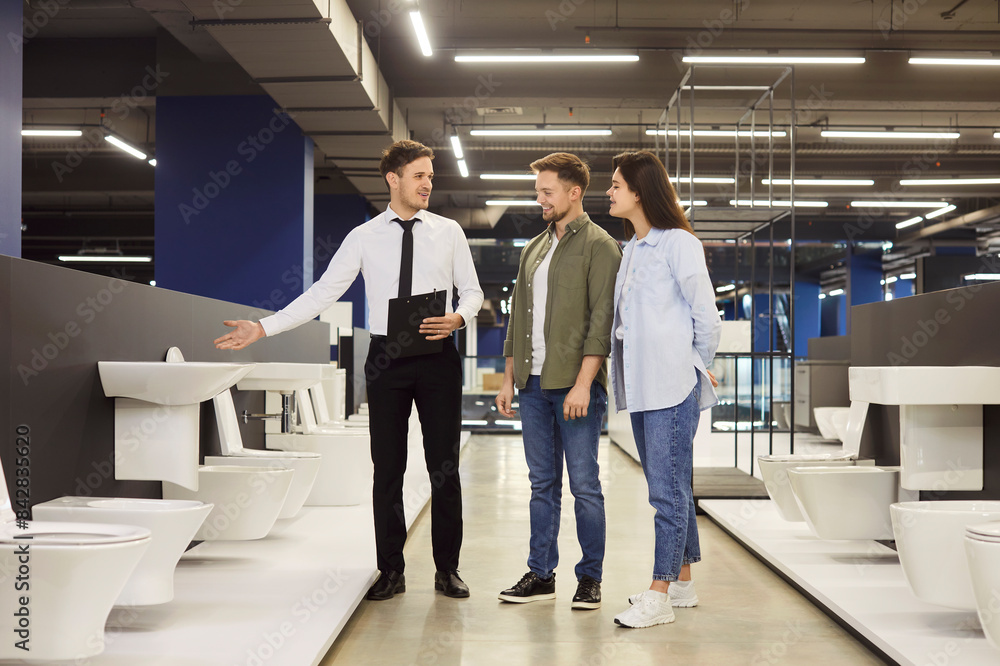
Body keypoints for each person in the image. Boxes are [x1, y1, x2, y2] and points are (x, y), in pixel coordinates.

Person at [214, 139, 484, 601]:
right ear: (393, 179)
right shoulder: (363, 237)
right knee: (387, 470)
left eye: (431, 177)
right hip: (386, 359)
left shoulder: (448, 231)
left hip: (438, 357)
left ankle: (447, 571)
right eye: (419, 176)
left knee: (445, 467)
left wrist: (460, 317)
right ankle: (391, 571)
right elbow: (322, 294)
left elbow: (473, 292)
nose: (427, 184)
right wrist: (263, 327)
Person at [495, 152, 622, 611]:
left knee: (584, 484)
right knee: (540, 483)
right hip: (531, 385)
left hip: (574, 385)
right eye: (537, 192)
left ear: (574, 192)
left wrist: (585, 384)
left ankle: (590, 578)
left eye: (547, 192)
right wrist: (509, 379)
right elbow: (516, 322)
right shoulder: (534, 248)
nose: (540, 199)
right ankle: (541, 572)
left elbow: (600, 321)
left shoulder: (601, 246)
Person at [604, 150, 721, 628]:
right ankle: (685, 582)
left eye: (615, 184)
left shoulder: (679, 244)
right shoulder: (631, 249)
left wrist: (695, 366)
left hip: (672, 386)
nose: (609, 192)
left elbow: (707, 318)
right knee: (669, 485)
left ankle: (660, 593)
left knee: (666, 494)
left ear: (639, 190)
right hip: (641, 385)